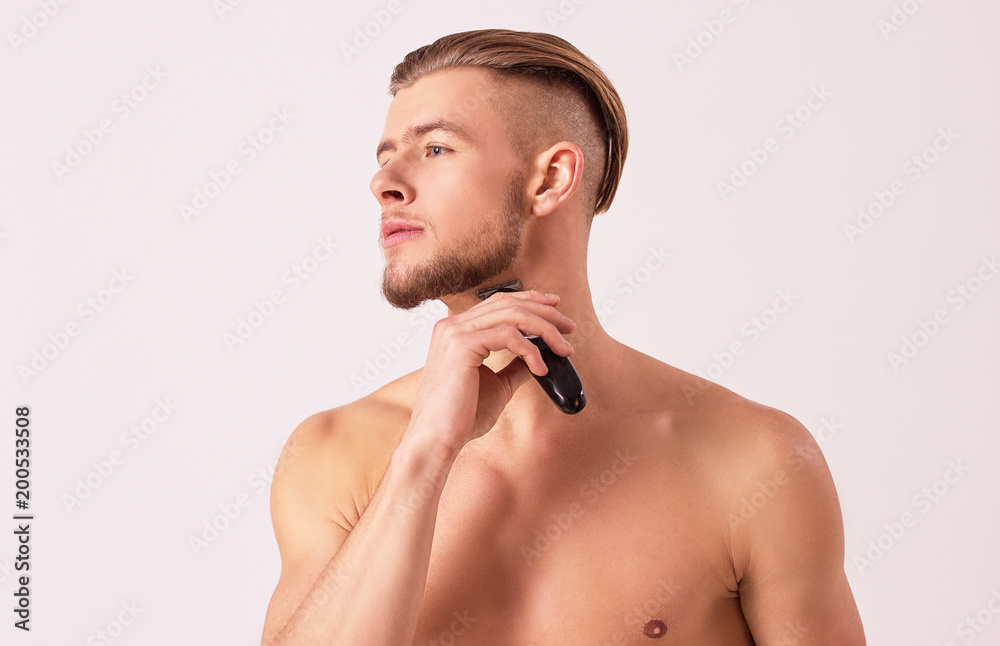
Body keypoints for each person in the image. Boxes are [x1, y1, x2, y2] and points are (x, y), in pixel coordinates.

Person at [260, 28, 866, 645]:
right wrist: (423, 458)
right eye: (385, 155)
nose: (384, 183)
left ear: (550, 180)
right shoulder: (334, 457)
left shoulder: (755, 461)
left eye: (435, 149)